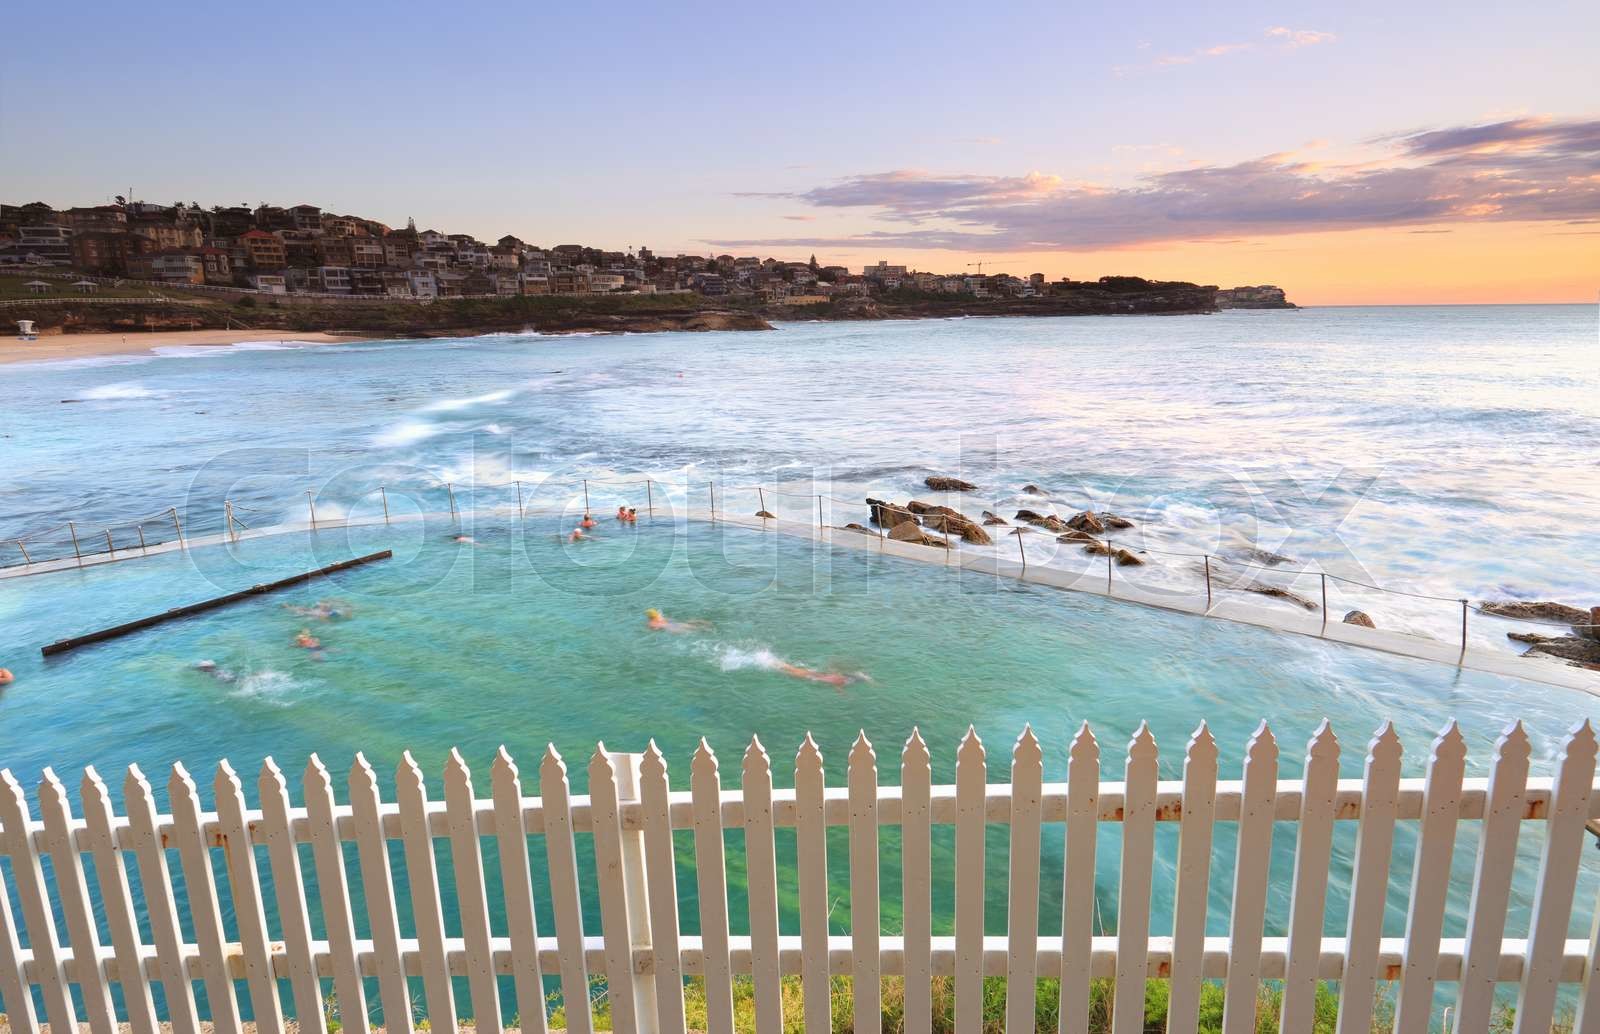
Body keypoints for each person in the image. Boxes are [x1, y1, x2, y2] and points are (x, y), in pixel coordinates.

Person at [644, 608, 709, 634]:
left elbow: (656, 628)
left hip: (670, 628)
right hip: (676, 624)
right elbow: (671, 620)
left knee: (690, 632)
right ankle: (706, 627)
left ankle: (705, 631)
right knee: (693, 627)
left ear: (649, 616)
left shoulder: (650, 623)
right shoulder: (660, 617)